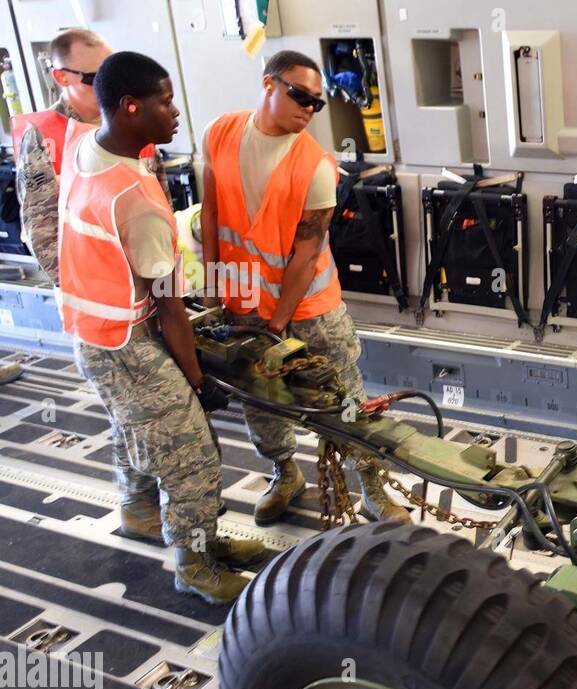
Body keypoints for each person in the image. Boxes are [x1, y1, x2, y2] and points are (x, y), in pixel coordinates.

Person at [58, 50, 265, 604]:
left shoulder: (84, 149)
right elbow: (169, 302)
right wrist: (198, 380)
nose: (175, 112)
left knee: (149, 439)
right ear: (130, 107)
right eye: (164, 101)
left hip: (95, 329)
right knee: (192, 453)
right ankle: (195, 563)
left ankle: (195, 535)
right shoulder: (136, 199)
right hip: (125, 343)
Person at [199, 50, 411, 526]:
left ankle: (374, 489)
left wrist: (279, 322)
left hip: (310, 306)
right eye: (300, 97)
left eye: (317, 103)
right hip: (242, 302)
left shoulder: (316, 165)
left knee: (344, 398)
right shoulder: (219, 133)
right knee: (260, 400)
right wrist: (215, 294)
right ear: (268, 84)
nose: (309, 110)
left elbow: (306, 251)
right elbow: (210, 212)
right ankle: (284, 473)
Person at [14, 27, 168, 538]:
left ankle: (140, 502)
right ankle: (139, 504)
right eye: (94, 74)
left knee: (141, 409)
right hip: (103, 311)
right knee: (130, 408)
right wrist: (96, 294)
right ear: (61, 78)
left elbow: (154, 199)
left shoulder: (131, 121)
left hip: (145, 297)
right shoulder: (47, 138)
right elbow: (42, 231)